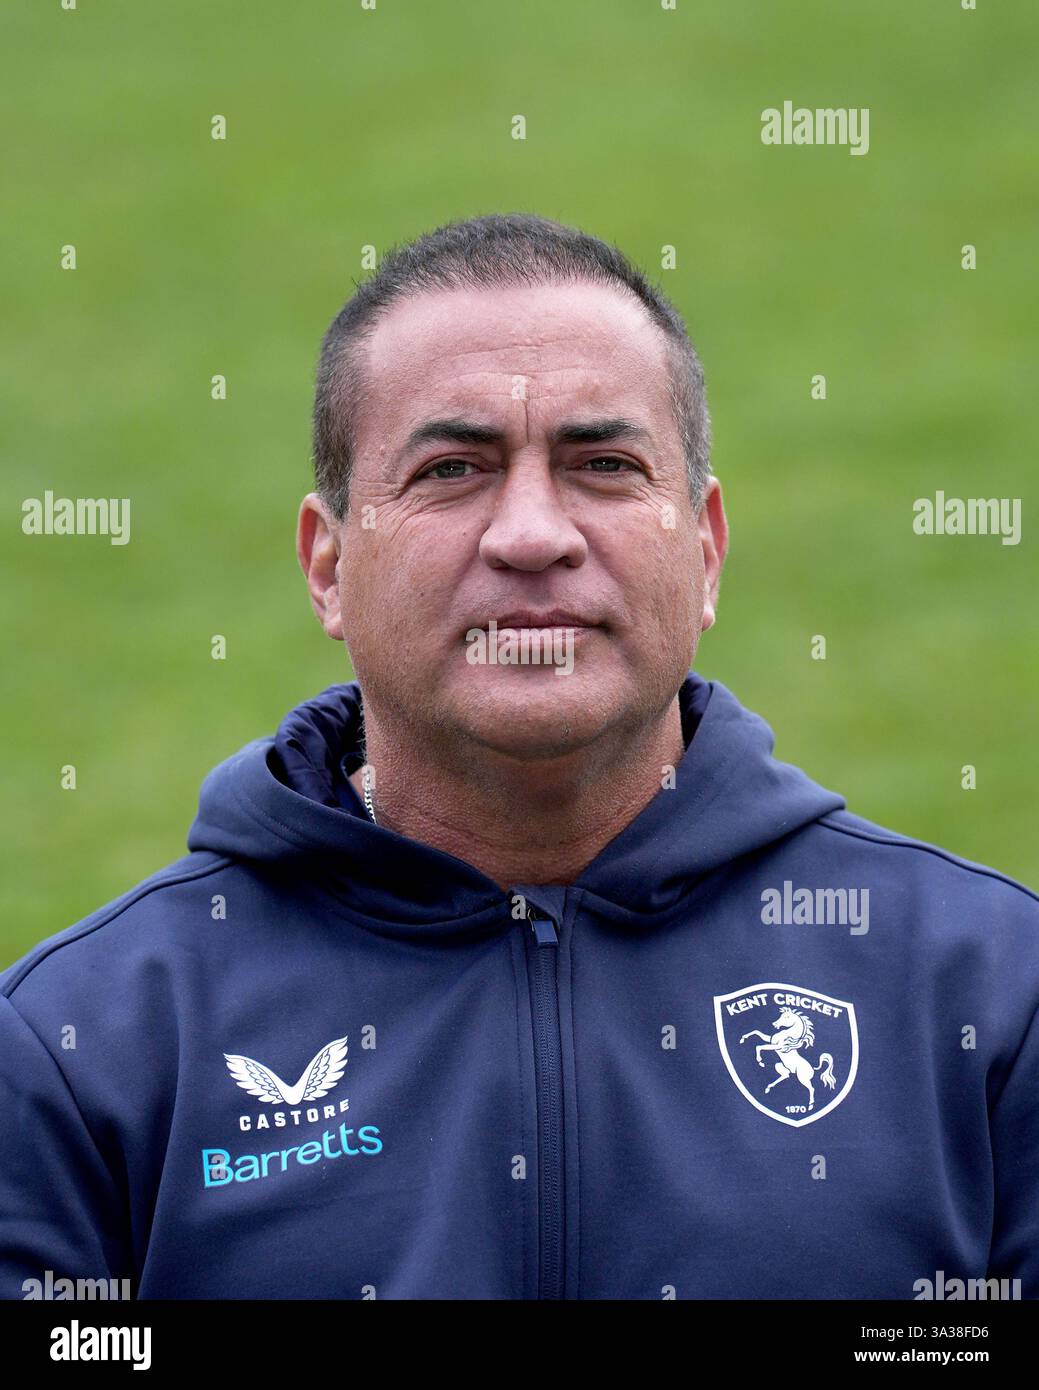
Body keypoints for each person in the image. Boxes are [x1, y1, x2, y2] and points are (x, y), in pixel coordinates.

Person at [2, 213, 1036, 1300]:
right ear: (327, 565)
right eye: (452, 469)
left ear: (705, 548)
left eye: (602, 464)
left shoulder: (985, 990)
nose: (532, 534)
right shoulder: (87, 1047)